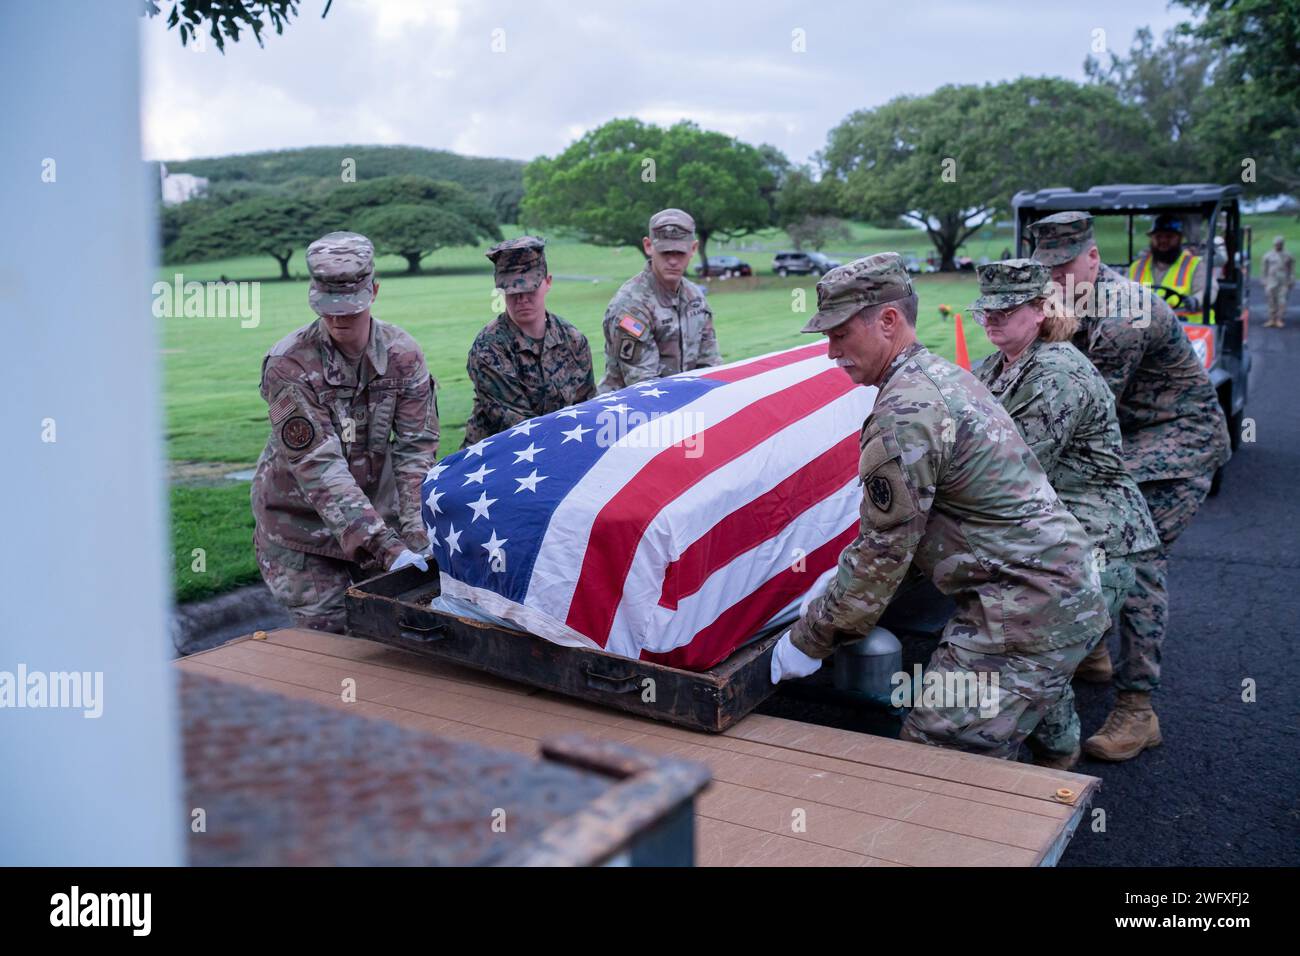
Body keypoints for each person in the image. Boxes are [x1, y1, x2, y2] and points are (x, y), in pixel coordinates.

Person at [770, 253, 1108, 763]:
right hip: (1047, 587)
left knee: (936, 760)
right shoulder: (938, 377)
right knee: (1007, 735)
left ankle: (1014, 826)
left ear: (888, 321)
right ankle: (1038, 795)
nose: (830, 351)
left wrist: (813, 634)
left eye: (839, 334)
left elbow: (885, 549)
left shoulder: (909, 408)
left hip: (1022, 605)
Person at [1030, 211, 1230, 761]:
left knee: (1137, 557)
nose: (1055, 279)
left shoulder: (1126, 314)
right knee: (1082, 532)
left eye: (1065, 266)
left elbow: (1079, 409)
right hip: (1126, 437)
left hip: (1177, 443)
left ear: (1093, 258)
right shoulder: (1065, 302)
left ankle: (1138, 710)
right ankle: (1094, 647)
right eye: (1044, 269)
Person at [971, 259, 1160, 769]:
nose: (990, 320)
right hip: (1046, 533)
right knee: (1012, 635)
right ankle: (1049, 739)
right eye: (984, 311)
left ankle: (1056, 753)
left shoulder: (1057, 373)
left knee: (1030, 643)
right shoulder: (996, 367)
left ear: (1039, 310)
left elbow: (1010, 473)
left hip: (1099, 538)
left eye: (1004, 310)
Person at [250, 231, 439, 633]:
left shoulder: (403, 356)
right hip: (301, 533)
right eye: (327, 307)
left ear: (374, 291)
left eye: (350, 308)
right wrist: (387, 547)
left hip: (376, 521)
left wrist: (417, 536)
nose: (337, 318)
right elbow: (319, 467)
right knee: (335, 646)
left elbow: (415, 451)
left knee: (396, 636)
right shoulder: (290, 365)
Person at [462, 236, 596, 447]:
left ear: (548, 282)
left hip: (561, 448)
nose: (522, 299)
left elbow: (586, 408)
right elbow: (516, 425)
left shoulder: (573, 341)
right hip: (502, 459)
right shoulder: (489, 349)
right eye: (512, 291)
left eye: (530, 289)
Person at [598, 208, 721, 392]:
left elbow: (710, 365)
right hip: (632, 412)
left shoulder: (695, 298)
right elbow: (644, 386)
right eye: (665, 252)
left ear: (693, 249)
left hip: (682, 403)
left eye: (680, 253)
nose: (672, 261)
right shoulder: (631, 306)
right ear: (648, 246)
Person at [1127, 213, 1217, 322]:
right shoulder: (1137, 267)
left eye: (1169, 236)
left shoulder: (1195, 265)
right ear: (1152, 239)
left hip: (1186, 329)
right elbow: (1123, 295)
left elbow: (1208, 290)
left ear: (1179, 238)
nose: (1163, 241)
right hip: (1145, 329)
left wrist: (1195, 300)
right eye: (1158, 236)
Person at [1261, 235, 1295, 329]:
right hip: (1271, 280)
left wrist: (1291, 279)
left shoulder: (1288, 255)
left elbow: (1291, 269)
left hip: (1283, 281)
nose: (1277, 246)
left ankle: (1279, 319)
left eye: (1279, 244)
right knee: (1271, 300)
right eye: (1276, 244)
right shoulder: (1268, 255)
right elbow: (1264, 269)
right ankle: (1272, 319)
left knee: (1282, 300)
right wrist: (1264, 280)